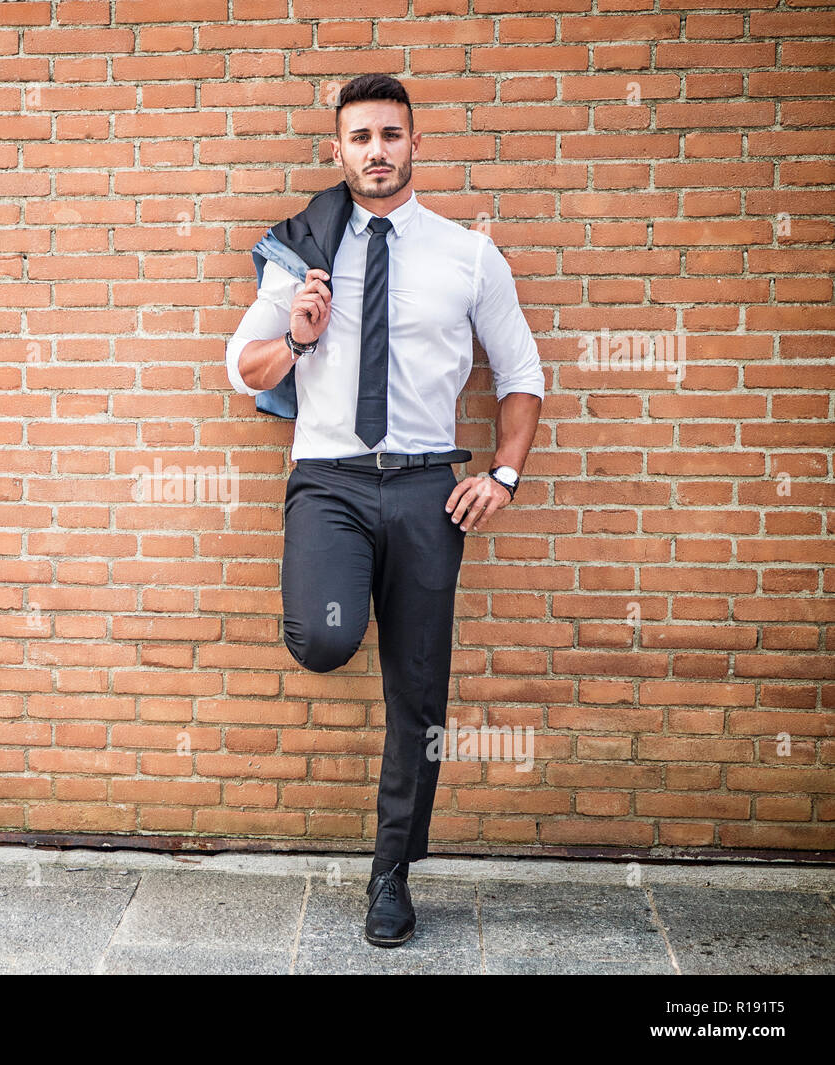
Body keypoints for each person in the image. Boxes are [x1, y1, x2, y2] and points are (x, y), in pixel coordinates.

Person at [225, 74, 545, 948]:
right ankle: (341, 608)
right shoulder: (304, 251)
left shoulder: (467, 253)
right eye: (360, 136)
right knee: (326, 638)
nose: (376, 150)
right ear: (339, 150)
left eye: (391, 135)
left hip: (424, 490)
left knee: (418, 690)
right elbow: (241, 370)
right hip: (329, 482)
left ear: (414, 144)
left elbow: (522, 376)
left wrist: (504, 477)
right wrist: (296, 335)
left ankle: (390, 874)